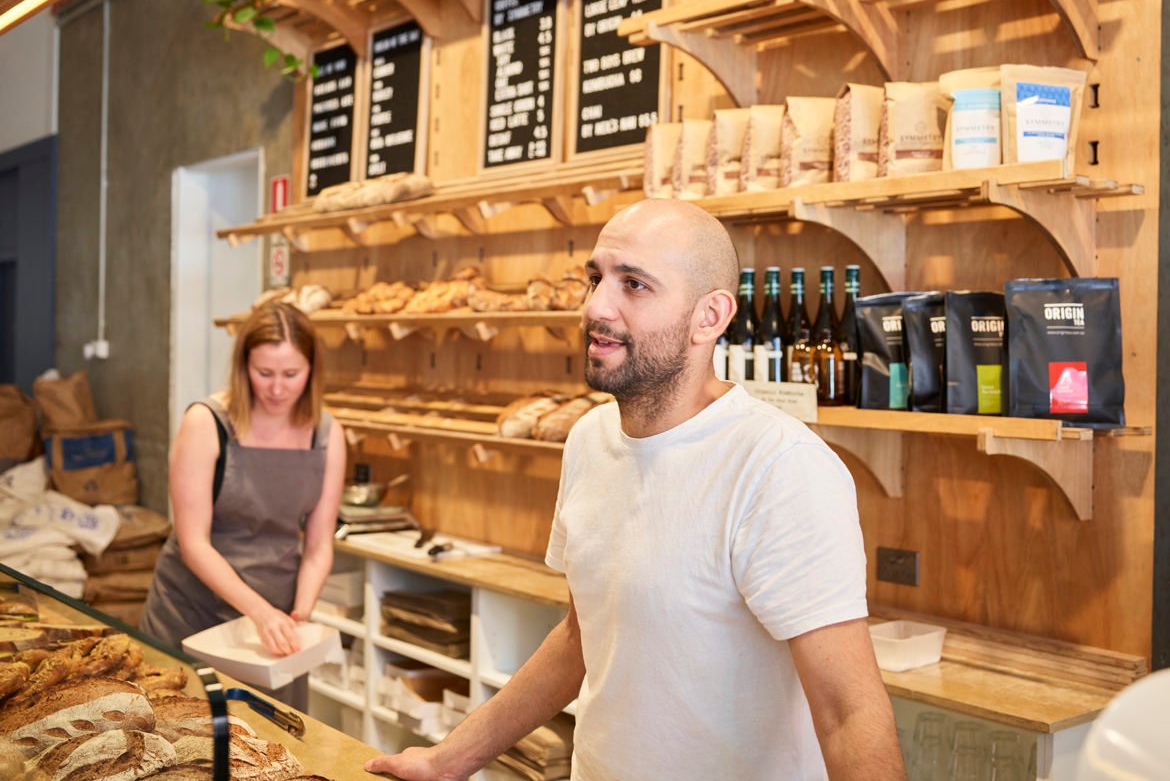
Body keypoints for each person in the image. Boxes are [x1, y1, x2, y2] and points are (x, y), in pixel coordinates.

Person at [366, 199, 904, 780]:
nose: (597, 306)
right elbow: (582, 635)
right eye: (596, 278)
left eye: (635, 285)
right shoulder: (589, 439)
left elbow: (848, 715)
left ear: (709, 317)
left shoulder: (778, 466)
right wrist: (450, 760)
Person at [142, 301, 346, 710]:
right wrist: (260, 612)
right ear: (243, 366)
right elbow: (193, 542)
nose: (277, 388)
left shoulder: (327, 433)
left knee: (273, 746)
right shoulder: (207, 422)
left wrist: (298, 613)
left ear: (312, 370)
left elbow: (320, 544)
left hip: (274, 625)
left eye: (292, 374)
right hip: (191, 612)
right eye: (263, 373)